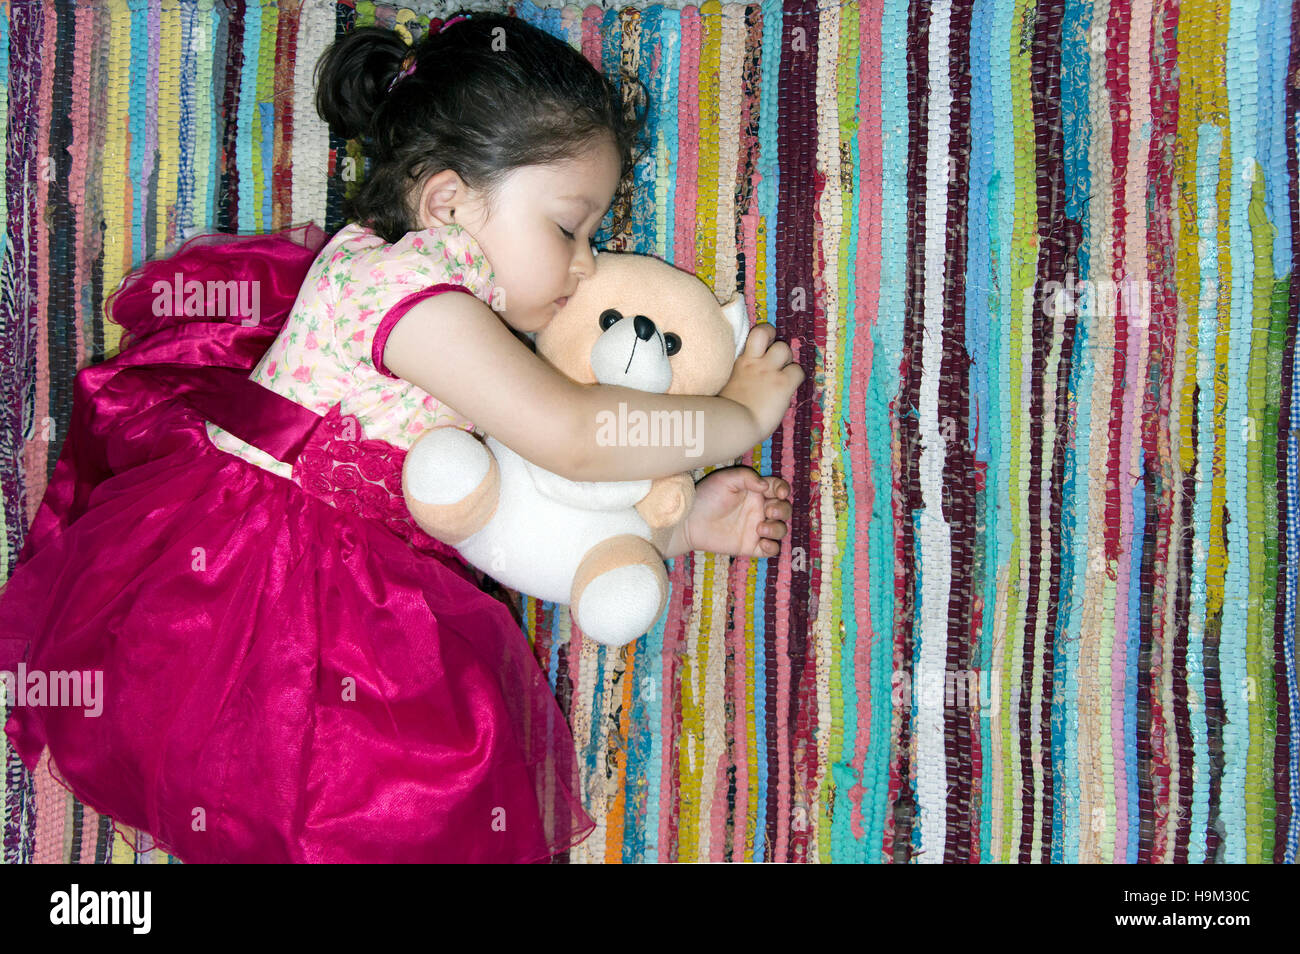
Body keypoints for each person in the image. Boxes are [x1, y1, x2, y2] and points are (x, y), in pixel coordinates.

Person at [0, 12, 804, 863]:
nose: (585, 264)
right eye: (569, 227)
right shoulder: (416, 297)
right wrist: (737, 418)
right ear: (449, 200)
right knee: (404, 787)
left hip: (331, 573)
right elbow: (575, 438)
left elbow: (532, 498)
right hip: (258, 594)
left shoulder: (443, 300)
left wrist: (669, 525)